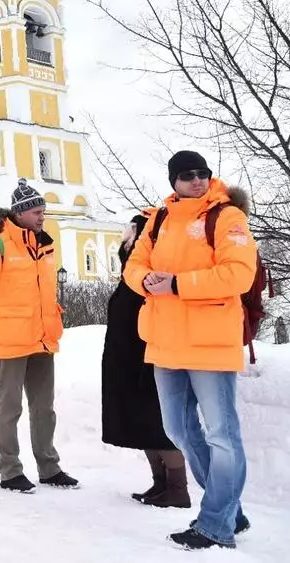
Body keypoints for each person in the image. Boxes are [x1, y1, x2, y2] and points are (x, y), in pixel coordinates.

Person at [124, 150, 258, 551]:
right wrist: (147, 281)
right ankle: (229, 509)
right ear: (173, 181)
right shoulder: (158, 220)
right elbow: (133, 267)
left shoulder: (226, 217)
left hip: (209, 343)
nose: (197, 180)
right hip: (166, 341)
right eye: (187, 175)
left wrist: (177, 284)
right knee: (178, 429)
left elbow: (239, 273)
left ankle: (216, 523)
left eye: (202, 173)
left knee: (222, 435)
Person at [0, 179, 78, 493]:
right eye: (37, 212)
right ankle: (11, 470)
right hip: (11, 340)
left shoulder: (45, 244)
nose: (42, 217)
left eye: (44, 211)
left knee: (44, 408)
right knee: (9, 406)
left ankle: (49, 467)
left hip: (43, 337)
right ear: (20, 213)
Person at [101, 211, 189, 509]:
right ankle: (160, 483)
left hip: (148, 353)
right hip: (127, 354)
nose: (127, 243)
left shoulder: (153, 263)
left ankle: (178, 489)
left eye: (132, 237)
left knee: (157, 422)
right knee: (140, 421)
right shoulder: (132, 268)